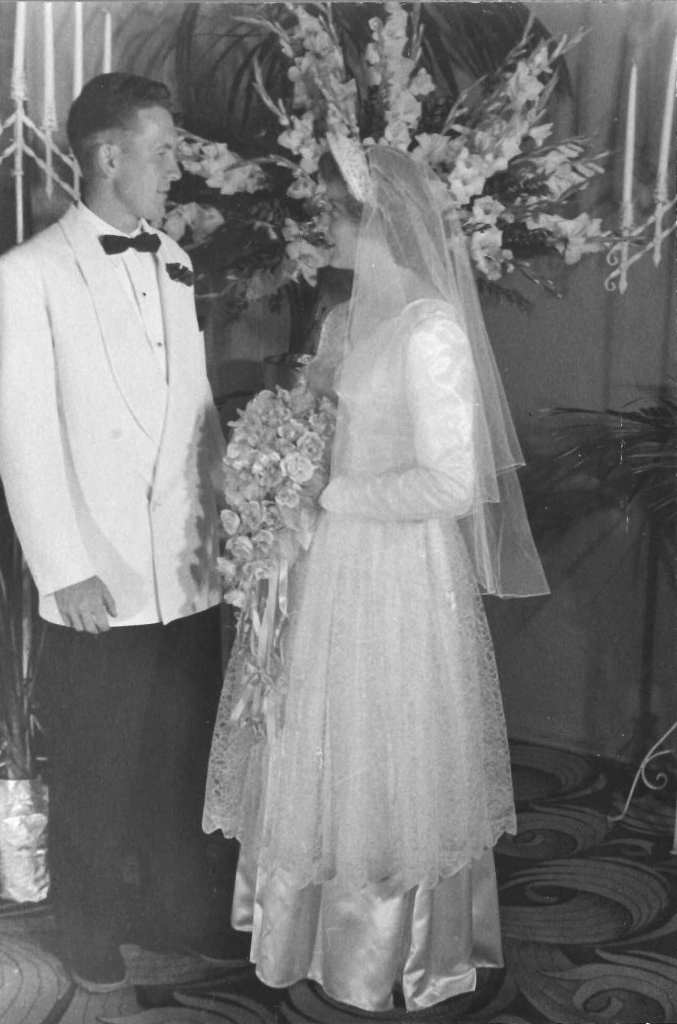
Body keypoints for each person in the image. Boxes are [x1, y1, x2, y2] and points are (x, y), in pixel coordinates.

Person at [203, 142, 550, 1012]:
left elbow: (449, 482)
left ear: (377, 220)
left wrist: (330, 492)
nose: (320, 228)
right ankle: (310, 937)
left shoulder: (431, 331)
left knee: (388, 751)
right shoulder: (344, 321)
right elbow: (320, 424)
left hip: (396, 570)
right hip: (331, 565)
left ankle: (390, 950)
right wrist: (276, 470)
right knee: (323, 744)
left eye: (332, 213)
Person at [0, 73, 243, 992]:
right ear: (108, 156)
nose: (177, 167)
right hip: (96, 573)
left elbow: (195, 416)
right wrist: (65, 569)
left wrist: (225, 537)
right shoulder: (25, 276)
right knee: (98, 768)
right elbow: (22, 434)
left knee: (179, 760)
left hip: (185, 571)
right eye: (164, 149)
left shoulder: (172, 259)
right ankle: (86, 928)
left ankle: (175, 909)